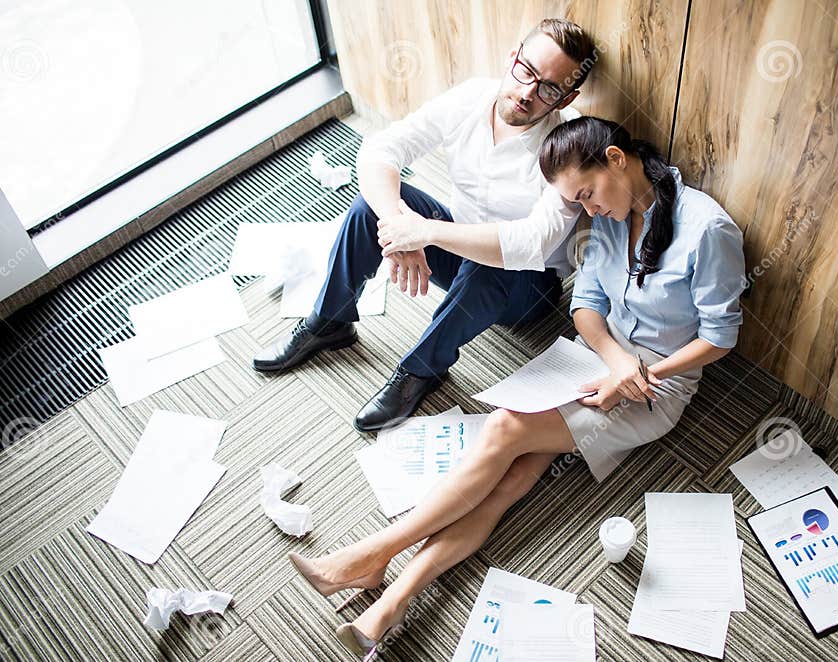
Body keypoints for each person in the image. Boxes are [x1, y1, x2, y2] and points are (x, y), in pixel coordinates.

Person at [288, 115, 746, 658]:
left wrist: (635, 375)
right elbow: (586, 306)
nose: (588, 208)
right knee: (509, 479)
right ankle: (393, 600)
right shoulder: (608, 214)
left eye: (588, 193)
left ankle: (373, 554)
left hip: (657, 384)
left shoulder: (708, 229)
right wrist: (614, 358)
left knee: (506, 429)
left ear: (617, 160)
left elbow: (720, 339)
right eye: (578, 200)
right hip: (602, 357)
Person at [252, 18, 597, 432]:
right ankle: (330, 322)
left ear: (565, 98)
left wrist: (426, 233)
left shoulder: (568, 143)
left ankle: (422, 371)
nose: (527, 93)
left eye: (548, 89)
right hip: (457, 250)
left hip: (525, 287)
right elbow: (382, 148)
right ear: (512, 59)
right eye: (526, 71)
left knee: (492, 263)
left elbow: (529, 244)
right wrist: (400, 226)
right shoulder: (472, 97)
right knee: (371, 206)